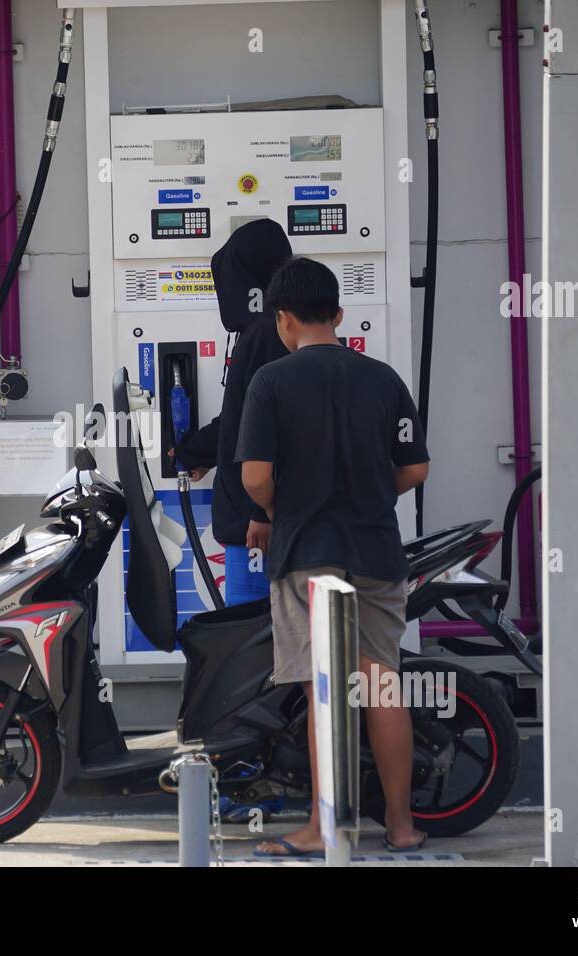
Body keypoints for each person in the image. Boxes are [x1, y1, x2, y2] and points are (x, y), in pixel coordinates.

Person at [235, 257, 431, 857]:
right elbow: (415, 468)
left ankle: (323, 829)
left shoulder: (270, 382)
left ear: (284, 319)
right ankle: (399, 827)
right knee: (381, 683)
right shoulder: (383, 378)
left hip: (307, 555)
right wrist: (368, 492)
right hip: (376, 549)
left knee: (326, 687)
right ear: (339, 315)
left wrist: (281, 510)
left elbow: (255, 477)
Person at [172, 218, 292, 605]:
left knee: (253, 639)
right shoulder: (272, 329)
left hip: (254, 523)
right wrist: (202, 452)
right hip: (255, 517)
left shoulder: (264, 334)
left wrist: (261, 511)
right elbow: (244, 416)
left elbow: (265, 425)